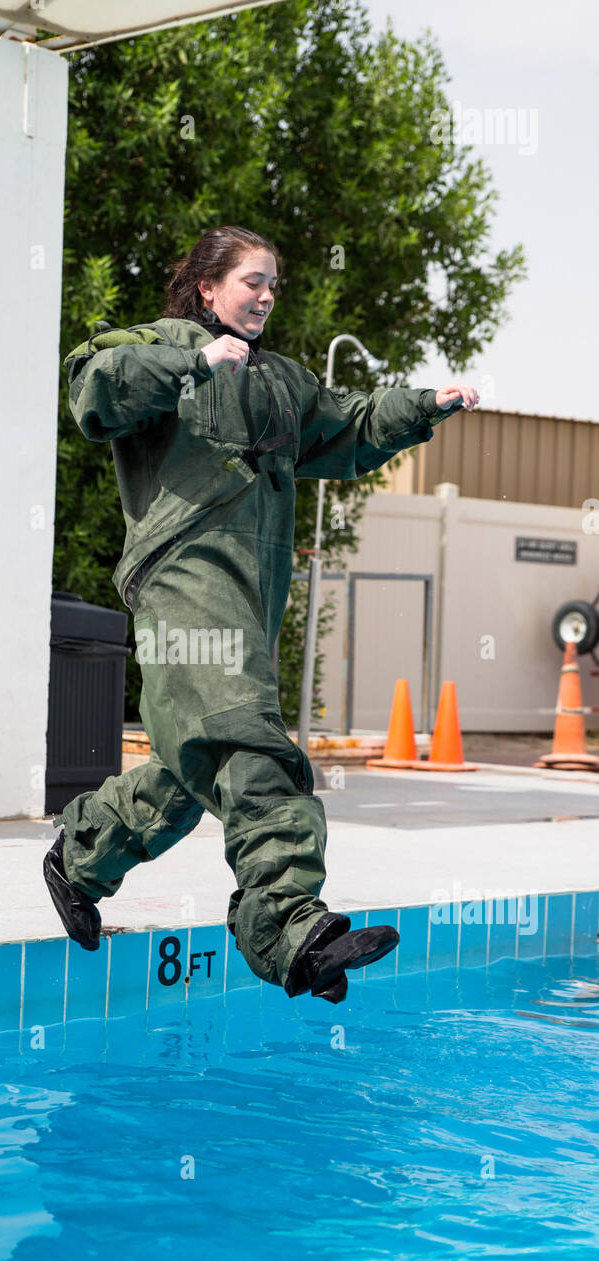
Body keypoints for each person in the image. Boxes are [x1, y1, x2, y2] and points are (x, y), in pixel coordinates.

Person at [43, 225, 479, 1004]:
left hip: (250, 595)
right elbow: (93, 389)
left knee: (191, 770)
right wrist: (190, 362)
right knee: (249, 747)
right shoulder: (169, 343)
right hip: (183, 582)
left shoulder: (280, 379)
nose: (267, 295)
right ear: (208, 287)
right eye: (252, 280)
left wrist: (421, 406)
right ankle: (285, 928)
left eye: (274, 284)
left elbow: (345, 427)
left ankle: (80, 855)